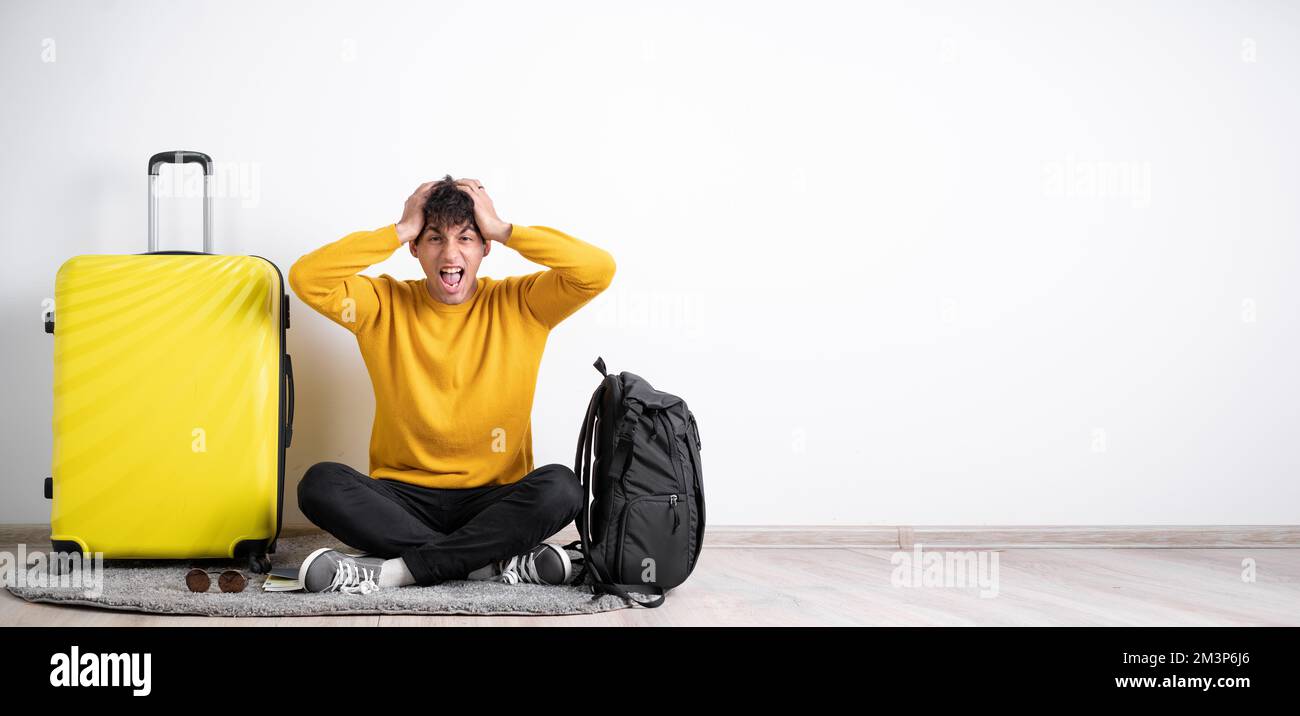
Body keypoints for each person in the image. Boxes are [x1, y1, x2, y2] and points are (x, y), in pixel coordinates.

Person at [287, 175, 615, 593]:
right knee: (320, 485)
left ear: (484, 249)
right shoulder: (381, 305)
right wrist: (400, 227)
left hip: (493, 501)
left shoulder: (524, 304)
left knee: (562, 488)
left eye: (466, 238)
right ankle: (488, 564)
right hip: (402, 500)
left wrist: (503, 228)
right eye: (434, 239)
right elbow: (306, 278)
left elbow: (597, 271)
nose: (451, 252)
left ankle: (397, 571)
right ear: (416, 249)